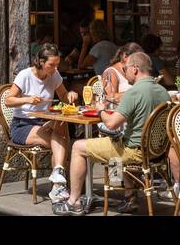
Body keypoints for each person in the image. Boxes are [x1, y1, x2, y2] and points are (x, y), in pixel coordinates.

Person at [59, 52, 172, 215]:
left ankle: (74, 201)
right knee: (114, 140)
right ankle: (128, 195)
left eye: (125, 69)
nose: (124, 73)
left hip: (133, 151)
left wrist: (100, 110)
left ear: (135, 69)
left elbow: (111, 124)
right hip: (155, 151)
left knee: (77, 147)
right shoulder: (162, 91)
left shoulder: (134, 92)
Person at [4, 43, 78, 205]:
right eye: (51, 65)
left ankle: (58, 179)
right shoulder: (25, 75)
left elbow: (64, 97)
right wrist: (27, 99)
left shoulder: (55, 75)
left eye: (57, 64)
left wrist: (71, 95)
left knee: (60, 126)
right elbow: (8, 100)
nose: (54, 68)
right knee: (61, 141)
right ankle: (59, 183)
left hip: (45, 121)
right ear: (40, 62)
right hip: (22, 125)